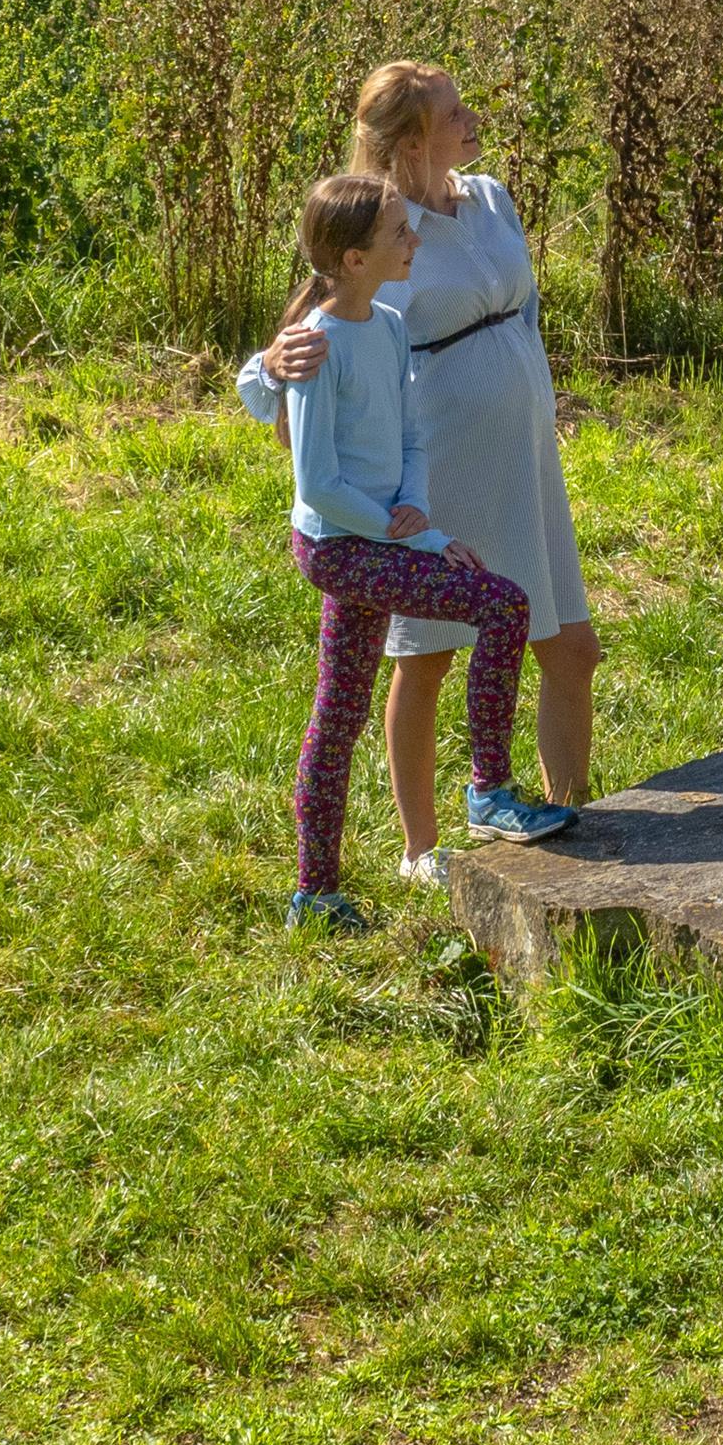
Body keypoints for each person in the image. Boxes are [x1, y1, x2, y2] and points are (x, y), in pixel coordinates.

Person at [250, 63, 598, 888]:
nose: (474, 120)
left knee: (572, 649)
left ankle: (572, 822)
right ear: (412, 139)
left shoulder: (489, 198)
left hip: (522, 456)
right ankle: (420, 850)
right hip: (431, 467)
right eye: (454, 112)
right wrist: (267, 364)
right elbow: (303, 337)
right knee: (428, 658)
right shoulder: (379, 223)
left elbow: (528, 309)